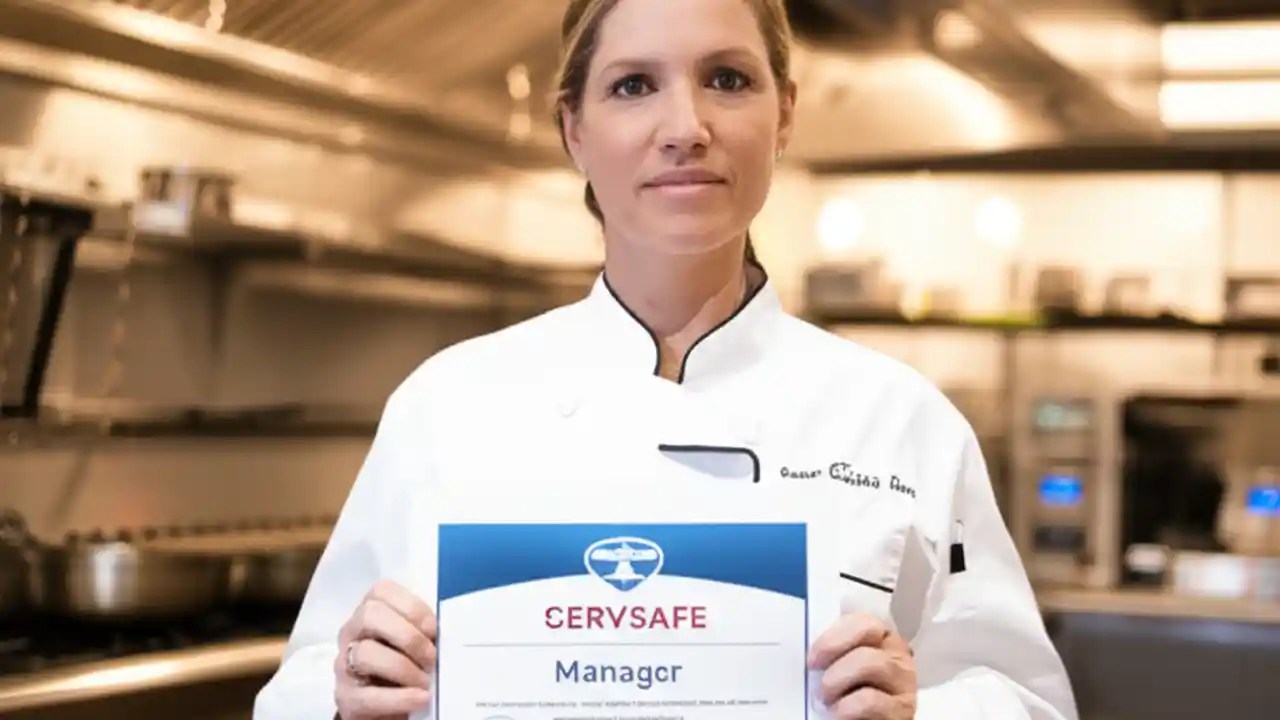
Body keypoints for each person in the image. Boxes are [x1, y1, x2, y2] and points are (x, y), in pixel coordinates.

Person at [253, 0, 1080, 718]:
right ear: (574, 130)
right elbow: (299, 691)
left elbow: (1026, 700)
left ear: (784, 114)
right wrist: (348, 693)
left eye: (727, 78)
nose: (686, 128)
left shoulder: (901, 421)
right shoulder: (447, 405)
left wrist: (919, 711)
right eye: (633, 85)